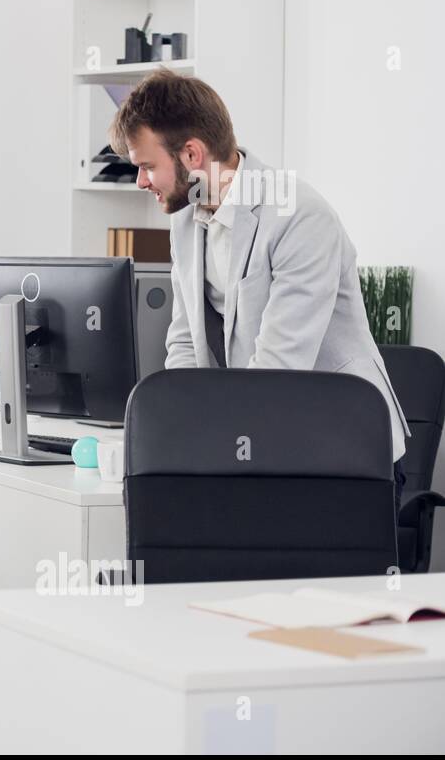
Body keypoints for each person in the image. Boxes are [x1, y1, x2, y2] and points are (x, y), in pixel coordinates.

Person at [110, 69, 410, 504]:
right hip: (255, 445)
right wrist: (175, 431)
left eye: (146, 166)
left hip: (344, 455)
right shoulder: (184, 218)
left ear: (192, 154)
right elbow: (185, 344)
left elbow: (278, 370)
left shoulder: (299, 216)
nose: (140, 182)